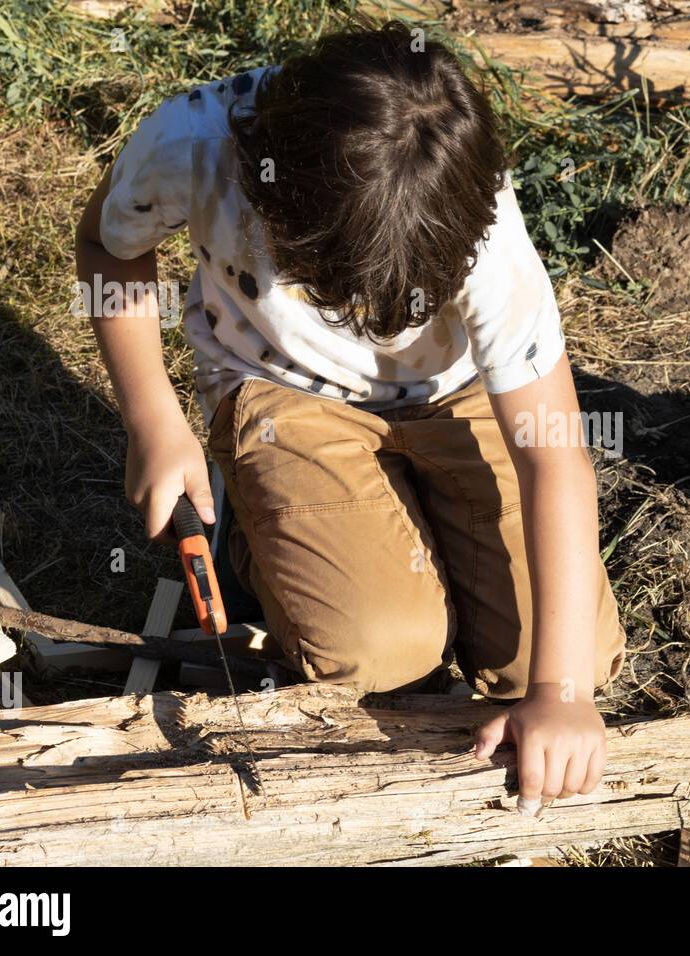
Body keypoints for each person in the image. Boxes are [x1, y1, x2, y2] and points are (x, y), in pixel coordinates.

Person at [74, 19, 625, 807]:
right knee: (374, 652)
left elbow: (552, 454)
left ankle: (402, 533)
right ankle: (260, 539)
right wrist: (153, 419)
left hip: (455, 396)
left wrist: (563, 691)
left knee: (566, 649)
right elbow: (108, 245)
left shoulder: (470, 211)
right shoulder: (192, 143)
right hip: (282, 390)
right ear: (275, 196)